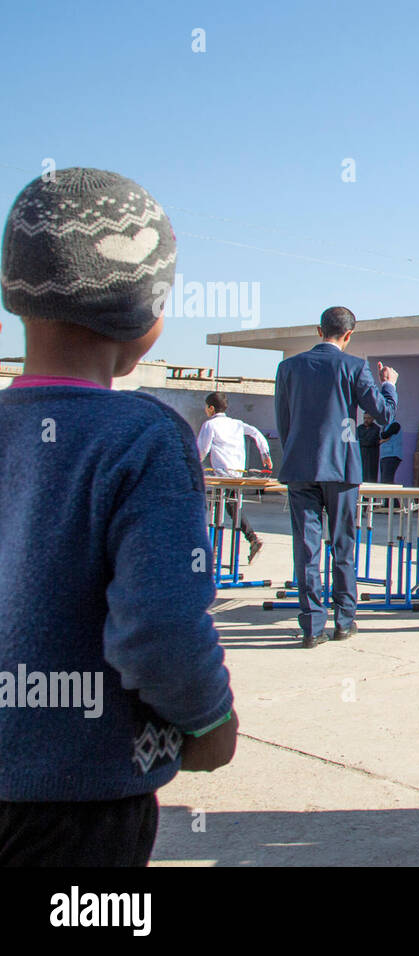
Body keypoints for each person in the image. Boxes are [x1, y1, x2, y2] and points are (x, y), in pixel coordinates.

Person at [0, 168, 236, 865]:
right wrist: (208, 718)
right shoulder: (143, 438)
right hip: (82, 800)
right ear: (148, 315)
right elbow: (159, 624)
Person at [275, 306, 398, 648]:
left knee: (306, 547)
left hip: (300, 467)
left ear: (319, 330)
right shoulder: (354, 366)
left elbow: (284, 422)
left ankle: (312, 626)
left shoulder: (288, 368)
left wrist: (295, 453)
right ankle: (344, 620)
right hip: (341, 468)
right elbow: (383, 414)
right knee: (343, 544)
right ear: (348, 335)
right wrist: (389, 386)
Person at [196, 391, 272, 563]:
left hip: (222, 476)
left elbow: (201, 450)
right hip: (237, 474)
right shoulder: (237, 424)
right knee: (231, 508)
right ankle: (251, 539)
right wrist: (265, 453)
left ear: (211, 408)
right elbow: (255, 433)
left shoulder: (210, 425)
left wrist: (191, 465)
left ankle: (213, 551)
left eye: (206, 408)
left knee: (218, 510)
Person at [357, 412, 381, 483]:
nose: (366, 420)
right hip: (361, 455)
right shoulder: (360, 428)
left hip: (372, 456)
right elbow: (358, 440)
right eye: (364, 418)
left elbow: (370, 441)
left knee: (370, 477)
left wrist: (364, 441)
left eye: (368, 418)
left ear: (373, 419)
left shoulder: (376, 429)